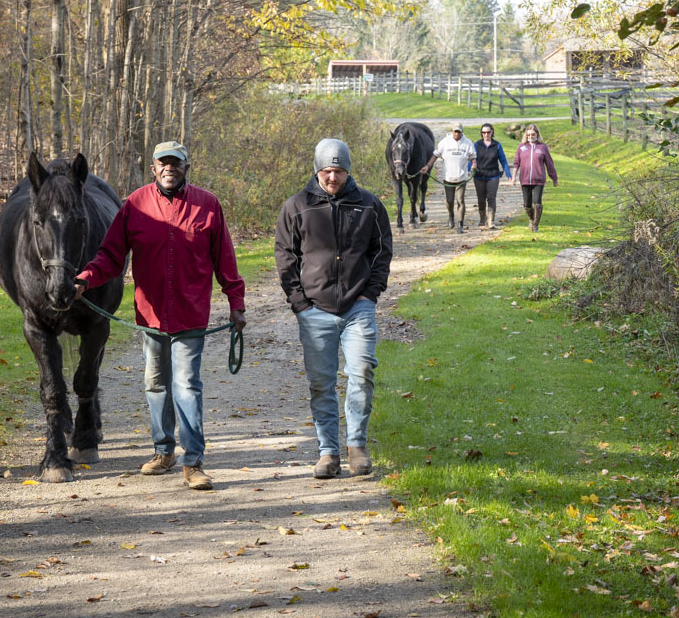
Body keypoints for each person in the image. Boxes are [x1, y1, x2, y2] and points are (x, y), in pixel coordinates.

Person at [74, 140, 246, 491]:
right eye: (163, 163)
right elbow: (110, 256)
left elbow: (224, 260)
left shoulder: (208, 205)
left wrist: (236, 303)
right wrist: (85, 279)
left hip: (190, 314)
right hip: (150, 316)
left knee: (186, 385)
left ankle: (193, 460)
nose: (169, 168)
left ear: (186, 167)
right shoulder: (134, 205)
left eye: (176, 163)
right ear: (152, 167)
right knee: (156, 384)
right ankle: (163, 449)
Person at [274, 139, 392, 479]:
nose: (332, 177)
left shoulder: (369, 205)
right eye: (326, 170)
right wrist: (299, 303)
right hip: (314, 311)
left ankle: (357, 445)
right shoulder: (296, 207)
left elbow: (382, 251)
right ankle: (328, 451)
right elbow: (285, 257)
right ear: (316, 169)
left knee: (362, 374)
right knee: (321, 382)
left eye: (339, 171)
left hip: (358, 308)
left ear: (348, 170)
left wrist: (370, 293)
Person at [420, 122, 476, 233]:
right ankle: (451, 215)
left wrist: (474, 164)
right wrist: (427, 166)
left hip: (461, 177)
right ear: (452, 131)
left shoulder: (468, 143)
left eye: (459, 131)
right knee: (449, 200)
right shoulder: (444, 142)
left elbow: (473, 157)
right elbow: (435, 155)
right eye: (455, 131)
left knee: (460, 200)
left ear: (461, 132)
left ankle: (460, 223)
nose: (457, 133)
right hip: (448, 177)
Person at [510, 123, 558, 232]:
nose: (531, 137)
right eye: (529, 135)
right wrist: (513, 177)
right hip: (525, 179)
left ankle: (535, 225)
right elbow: (516, 163)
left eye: (533, 134)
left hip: (539, 180)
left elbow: (549, 163)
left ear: (537, 134)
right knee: (527, 204)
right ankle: (531, 219)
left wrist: (554, 178)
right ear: (526, 135)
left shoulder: (542, 147)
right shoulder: (521, 147)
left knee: (537, 202)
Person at [472, 123, 511, 229]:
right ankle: (482, 218)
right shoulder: (477, 144)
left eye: (488, 132)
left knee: (491, 197)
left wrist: (508, 173)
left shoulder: (497, 145)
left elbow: (503, 160)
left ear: (492, 132)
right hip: (479, 176)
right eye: (484, 132)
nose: (486, 134)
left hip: (493, 175)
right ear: (481, 133)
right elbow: (472, 158)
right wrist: (469, 170)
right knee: (481, 199)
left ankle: (491, 221)